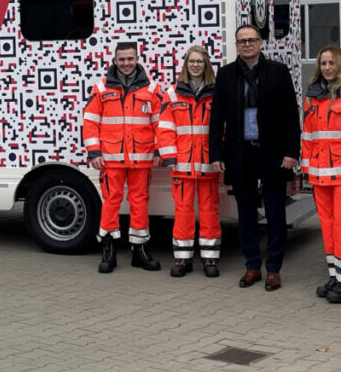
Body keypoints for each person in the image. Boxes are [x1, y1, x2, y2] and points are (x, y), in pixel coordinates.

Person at [209, 24, 300, 292]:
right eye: (242, 41)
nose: (247, 45)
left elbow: (290, 116)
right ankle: (252, 266)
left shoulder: (278, 72)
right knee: (245, 213)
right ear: (236, 45)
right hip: (240, 153)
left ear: (261, 43)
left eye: (252, 40)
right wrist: (216, 153)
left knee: (275, 212)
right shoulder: (225, 75)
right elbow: (216, 118)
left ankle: (273, 269)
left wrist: (291, 152)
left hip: (272, 153)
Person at [83, 41, 164, 273]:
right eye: (122, 59)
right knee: (111, 202)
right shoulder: (100, 89)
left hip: (142, 157)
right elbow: (90, 122)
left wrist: (159, 150)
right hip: (110, 158)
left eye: (130, 58)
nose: (126, 63)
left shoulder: (152, 89)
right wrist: (94, 152)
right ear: (115, 61)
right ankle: (108, 250)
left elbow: (162, 123)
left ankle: (140, 251)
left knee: (140, 203)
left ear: (137, 59)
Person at [302, 44, 341, 304]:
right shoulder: (313, 95)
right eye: (323, 63)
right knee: (327, 226)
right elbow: (308, 136)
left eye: (332, 63)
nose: (327, 68)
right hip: (319, 174)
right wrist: (306, 170)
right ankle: (336, 276)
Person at [157, 45, 220, 278]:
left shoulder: (216, 92)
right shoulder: (172, 93)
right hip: (181, 164)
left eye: (200, 62)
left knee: (209, 211)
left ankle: (210, 258)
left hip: (207, 165)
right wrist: (170, 156)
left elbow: (221, 129)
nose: (196, 65)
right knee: (182, 211)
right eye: (192, 61)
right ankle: (182, 258)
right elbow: (165, 128)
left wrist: (218, 156)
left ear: (206, 65)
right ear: (186, 65)